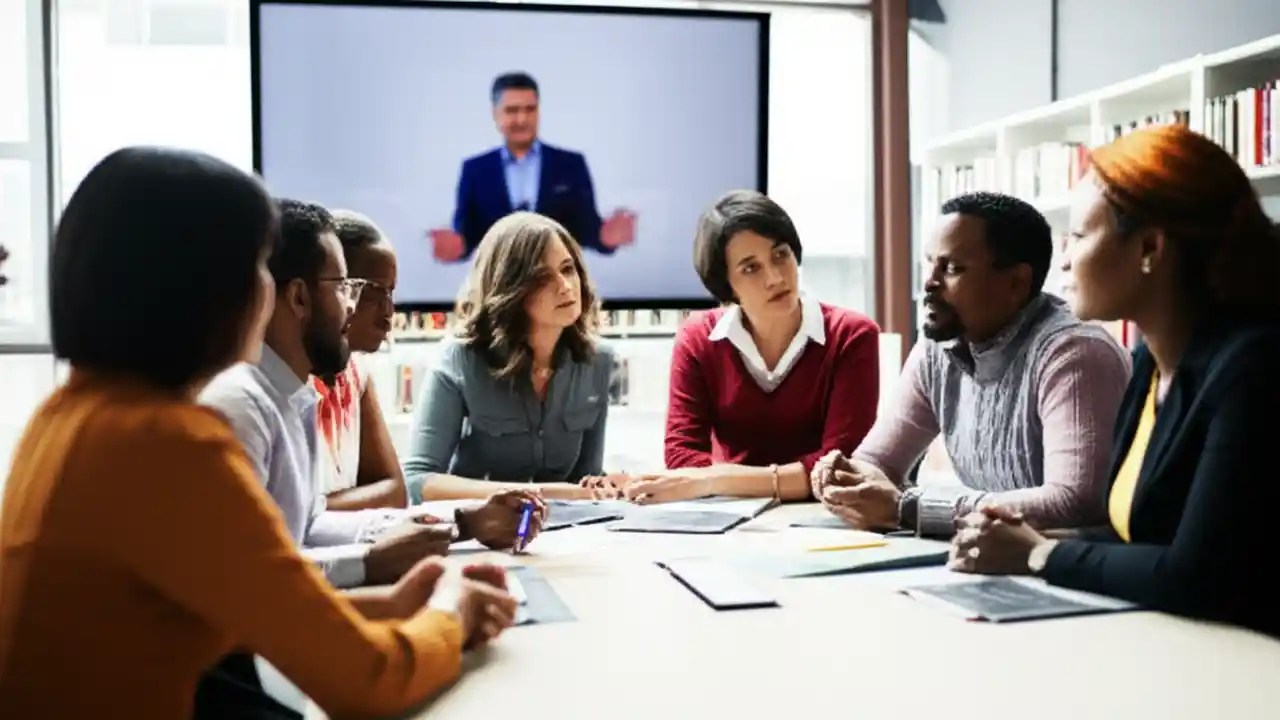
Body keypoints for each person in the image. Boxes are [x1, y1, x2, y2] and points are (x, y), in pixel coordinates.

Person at [0, 146, 516, 718]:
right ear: (210, 291)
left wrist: (390, 603)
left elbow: (232, 619)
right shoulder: (170, 444)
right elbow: (368, 682)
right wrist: (454, 611)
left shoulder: (66, 418)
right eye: (258, 270)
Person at [950, 125, 1280, 637]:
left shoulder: (1254, 368)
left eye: (1079, 236)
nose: (1063, 259)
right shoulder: (1149, 358)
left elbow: (1198, 574)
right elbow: (1146, 541)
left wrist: (1041, 553)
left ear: (1149, 247)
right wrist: (1020, 536)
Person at [201, 199, 545, 593]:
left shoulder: (293, 397)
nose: (352, 306)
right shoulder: (239, 407)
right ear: (298, 298)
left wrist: (464, 523)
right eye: (345, 288)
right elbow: (246, 577)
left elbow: (312, 526)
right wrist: (368, 563)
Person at [812, 191, 1131, 537]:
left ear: (1016, 283)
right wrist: (845, 477)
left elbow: (1073, 501)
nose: (929, 283)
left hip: (1066, 572)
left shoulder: (1074, 355)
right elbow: (878, 462)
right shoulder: (939, 348)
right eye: (929, 263)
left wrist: (912, 511)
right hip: (989, 559)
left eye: (952, 268)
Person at [597, 190, 881, 504]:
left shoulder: (851, 335)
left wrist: (714, 478)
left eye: (780, 254)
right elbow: (682, 458)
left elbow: (840, 469)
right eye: (750, 268)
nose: (775, 277)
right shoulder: (698, 338)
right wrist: (766, 481)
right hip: (728, 518)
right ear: (725, 284)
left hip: (825, 519)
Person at [404, 211, 614, 501]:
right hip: (477, 530)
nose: (565, 286)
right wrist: (538, 493)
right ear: (510, 288)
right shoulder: (459, 358)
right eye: (542, 278)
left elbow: (586, 479)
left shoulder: (598, 360)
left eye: (567, 269)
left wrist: (608, 488)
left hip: (565, 531)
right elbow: (415, 481)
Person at [429, 71, 637, 262]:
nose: (522, 119)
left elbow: (587, 228)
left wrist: (607, 237)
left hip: (556, 285)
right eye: (512, 110)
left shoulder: (571, 164)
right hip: (499, 289)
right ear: (496, 114)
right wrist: (454, 246)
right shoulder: (475, 170)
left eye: (530, 109)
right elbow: (467, 234)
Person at [310, 209, 406, 511]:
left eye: (390, 293)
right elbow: (287, 517)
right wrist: (307, 512)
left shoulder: (356, 373)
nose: (388, 311)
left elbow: (395, 492)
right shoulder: (292, 377)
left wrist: (316, 509)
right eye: (373, 292)